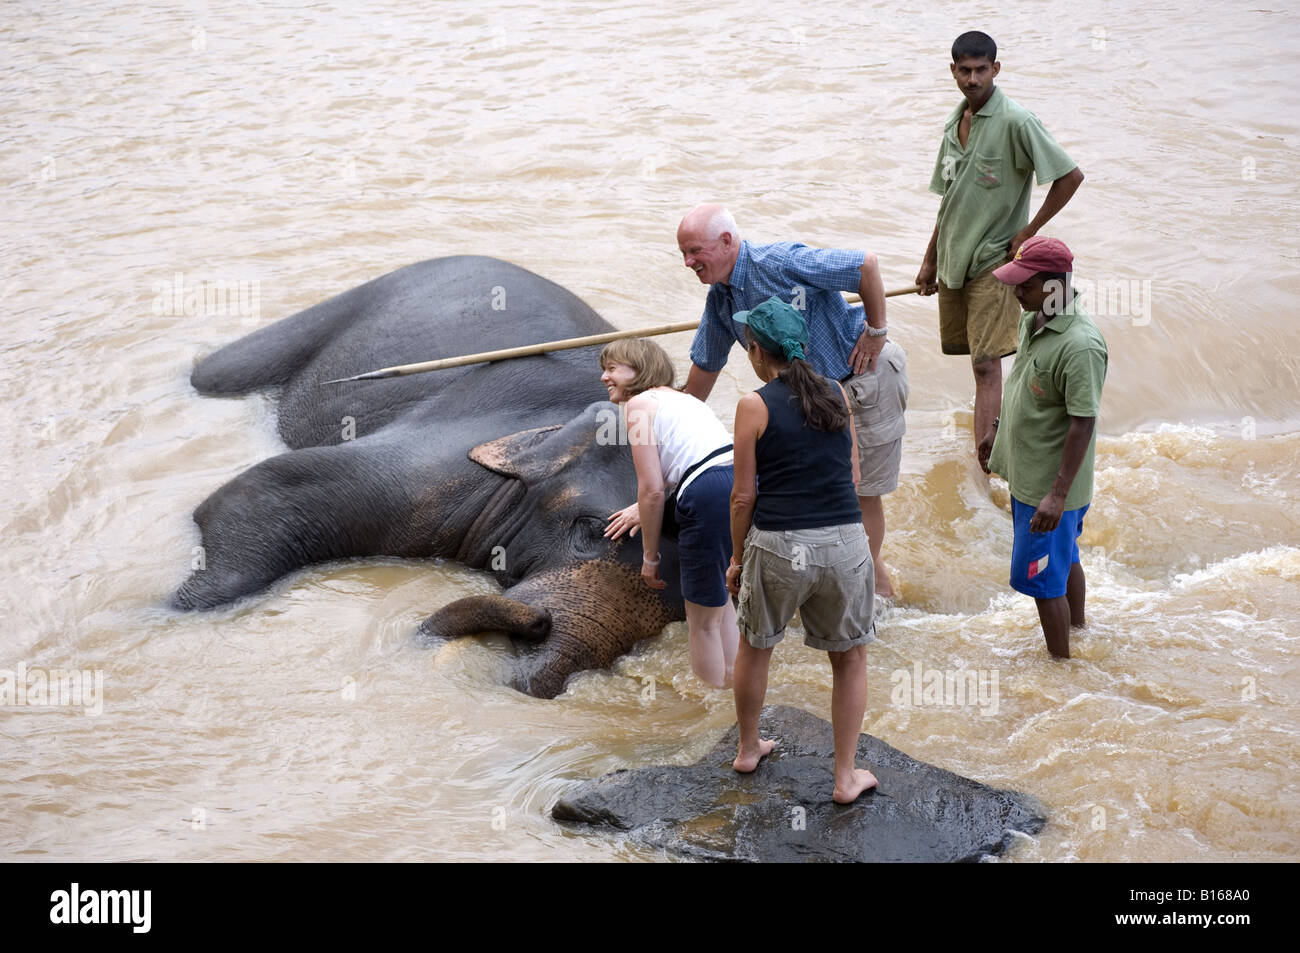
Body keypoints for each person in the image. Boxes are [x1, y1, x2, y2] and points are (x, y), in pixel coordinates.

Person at [677, 202, 907, 601]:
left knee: (858, 491)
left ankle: (864, 591)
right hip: (810, 396)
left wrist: (876, 330)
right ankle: (871, 588)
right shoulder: (722, 299)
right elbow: (704, 370)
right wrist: (667, 417)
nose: (687, 261)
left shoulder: (780, 261)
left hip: (863, 377)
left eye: (695, 250)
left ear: (727, 241)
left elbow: (865, 265)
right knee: (822, 491)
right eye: (683, 253)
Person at [725, 297, 879, 804]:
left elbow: (743, 495)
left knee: (756, 645)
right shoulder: (835, 391)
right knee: (850, 659)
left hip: (779, 543)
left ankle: (749, 750)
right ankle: (844, 778)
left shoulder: (753, 404)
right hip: (845, 543)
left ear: (755, 351)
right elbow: (854, 475)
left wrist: (735, 559)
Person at [915, 30, 1084, 466]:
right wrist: (930, 260)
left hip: (995, 263)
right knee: (973, 360)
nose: (973, 79)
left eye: (981, 69)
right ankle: (995, 450)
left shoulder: (1016, 121)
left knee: (987, 365)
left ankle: (986, 466)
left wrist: (1028, 231)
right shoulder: (954, 126)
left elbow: (1069, 177)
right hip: (954, 263)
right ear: (952, 71)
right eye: (965, 70)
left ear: (996, 69)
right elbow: (947, 201)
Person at [978, 237, 1107, 659]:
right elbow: (1023, 387)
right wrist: (996, 428)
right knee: (1064, 558)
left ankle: (1060, 666)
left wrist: (1056, 495)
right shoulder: (1033, 320)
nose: (1016, 292)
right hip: (1031, 474)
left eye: (1025, 285)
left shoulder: (1080, 345)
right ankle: (1080, 632)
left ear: (1054, 286)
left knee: (1041, 581)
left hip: (1047, 488)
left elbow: (1082, 421)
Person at [599, 338, 739, 687]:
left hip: (707, 492)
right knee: (721, 605)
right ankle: (736, 688)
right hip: (740, 482)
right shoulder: (685, 400)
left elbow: (652, 488)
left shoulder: (638, 406)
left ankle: (711, 708)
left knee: (701, 623)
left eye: (612, 368)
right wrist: (643, 506)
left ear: (639, 369)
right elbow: (689, 462)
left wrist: (649, 557)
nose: (604, 377)